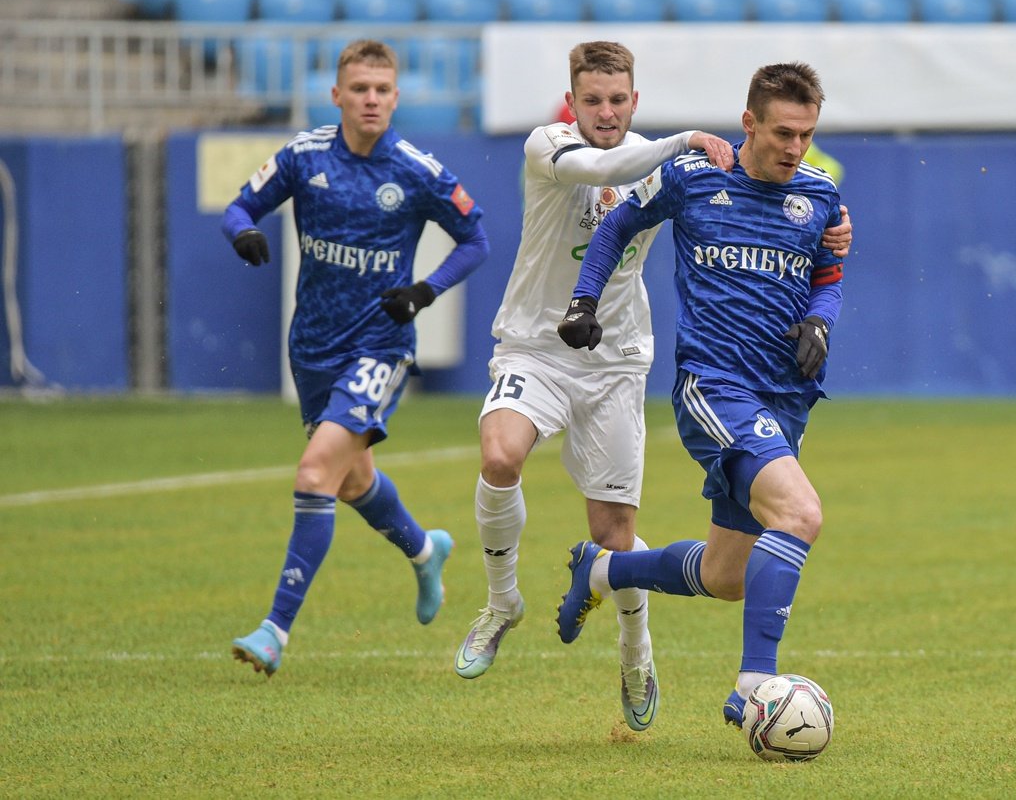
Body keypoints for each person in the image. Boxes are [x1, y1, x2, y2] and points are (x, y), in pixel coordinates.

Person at [453, 40, 738, 734]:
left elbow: (731, 200)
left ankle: (636, 651)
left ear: (633, 101)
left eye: (616, 100)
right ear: (571, 102)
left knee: (613, 533)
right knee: (499, 455)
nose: (605, 112)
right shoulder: (548, 146)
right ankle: (502, 603)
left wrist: (830, 231)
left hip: (615, 363)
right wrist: (686, 139)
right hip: (536, 347)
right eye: (592, 100)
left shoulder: (658, 165)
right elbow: (603, 168)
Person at [555, 61, 844, 730]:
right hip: (715, 385)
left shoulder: (821, 194)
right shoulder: (694, 177)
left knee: (726, 577)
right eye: (783, 133)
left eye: (806, 134)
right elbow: (617, 225)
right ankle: (756, 688)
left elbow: (828, 276)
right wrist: (584, 300)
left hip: (786, 398)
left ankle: (603, 572)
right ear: (749, 123)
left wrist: (820, 322)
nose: (795, 147)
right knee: (799, 513)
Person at [222, 39, 490, 677]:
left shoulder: (417, 170)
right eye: (360, 89)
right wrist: (245, 232)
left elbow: (474, 238)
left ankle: (273, 631)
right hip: (312, 347)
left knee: (316, 472)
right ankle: (425, 551)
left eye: (383, 90)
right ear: (337, 95)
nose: (371, 99)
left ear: (396, 98)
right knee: (351, 480)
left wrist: (424, 291)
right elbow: (239, 206)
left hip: (379, 347)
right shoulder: (304, 155)